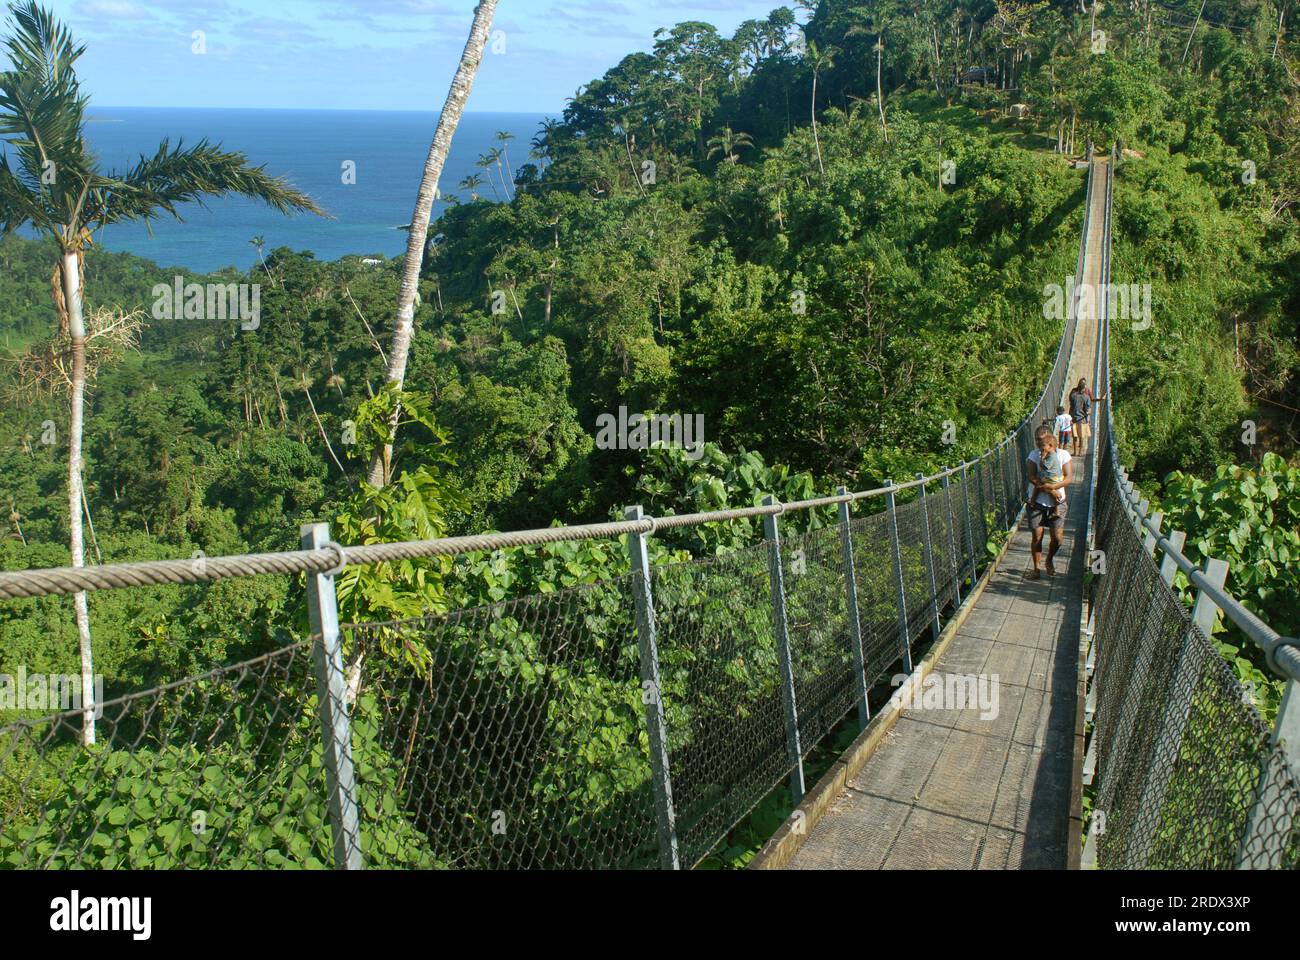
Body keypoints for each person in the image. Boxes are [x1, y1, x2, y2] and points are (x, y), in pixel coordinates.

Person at [1026, 425, 1073, 580]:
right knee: (1037, 536)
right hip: (1038, 501)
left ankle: (1049, 559)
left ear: (1050, 441)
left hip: (1058, 501)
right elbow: (1032, 476)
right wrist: (1048, 489)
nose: (1039, 445)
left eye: (1042, 441)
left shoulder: (1063, 455)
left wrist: (1053, 488)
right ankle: (1036, 569)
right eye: (1037, 442)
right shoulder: (1034, 455)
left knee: (1058, 538)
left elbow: (1068, 477)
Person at [1069, 379, 1106, 456]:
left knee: (1075, 436)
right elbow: (1088, 409)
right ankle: (1080, 453)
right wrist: (1088, 414)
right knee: (1081, 437)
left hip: (1074, 418)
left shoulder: (1073, 394)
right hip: (1082, 419)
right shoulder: (1086, 397)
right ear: (1084, 387)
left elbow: (1071, 405)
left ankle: (1075, 452)